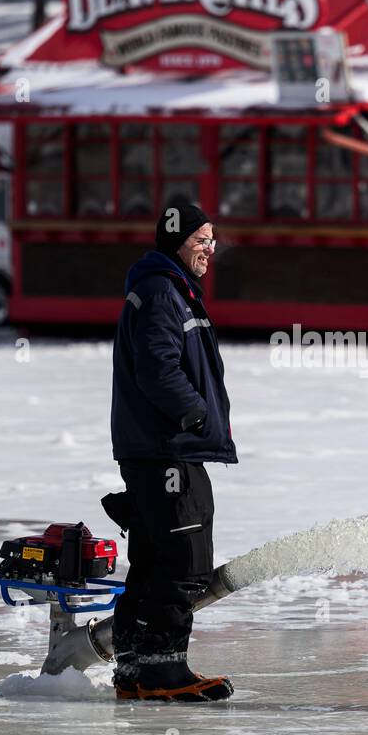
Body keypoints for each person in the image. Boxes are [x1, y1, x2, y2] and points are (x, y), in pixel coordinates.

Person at [106, 202, 237, 702]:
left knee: (156, 559)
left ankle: (136, 670)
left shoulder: (168, 288)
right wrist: (195, 413)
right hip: (165, 449)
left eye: (212, 240)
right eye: (203, 239)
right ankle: (163, 670)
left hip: (159, 448)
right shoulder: (163, 291)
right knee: (183, 560)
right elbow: (158, 368)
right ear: (178, 241)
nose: (210, 249)